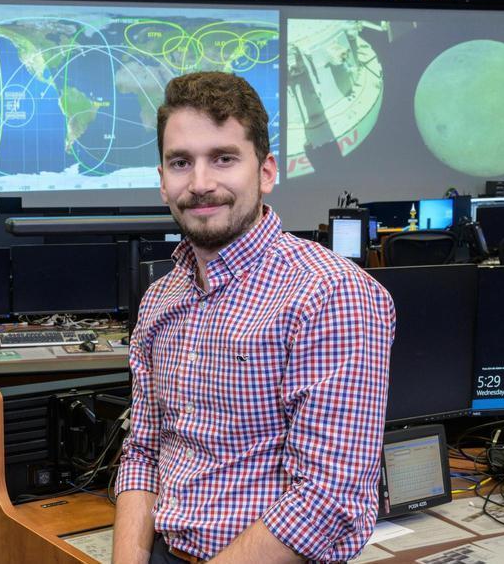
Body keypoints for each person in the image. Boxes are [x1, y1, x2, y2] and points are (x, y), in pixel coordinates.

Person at [113, 71, 395, 564]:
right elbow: (143, 455)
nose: (200, 184)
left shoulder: (331, 294)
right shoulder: (160, 299)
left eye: (223, 158)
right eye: (181, 162)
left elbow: (326, 499)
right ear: (162, 180)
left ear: (265, 171)